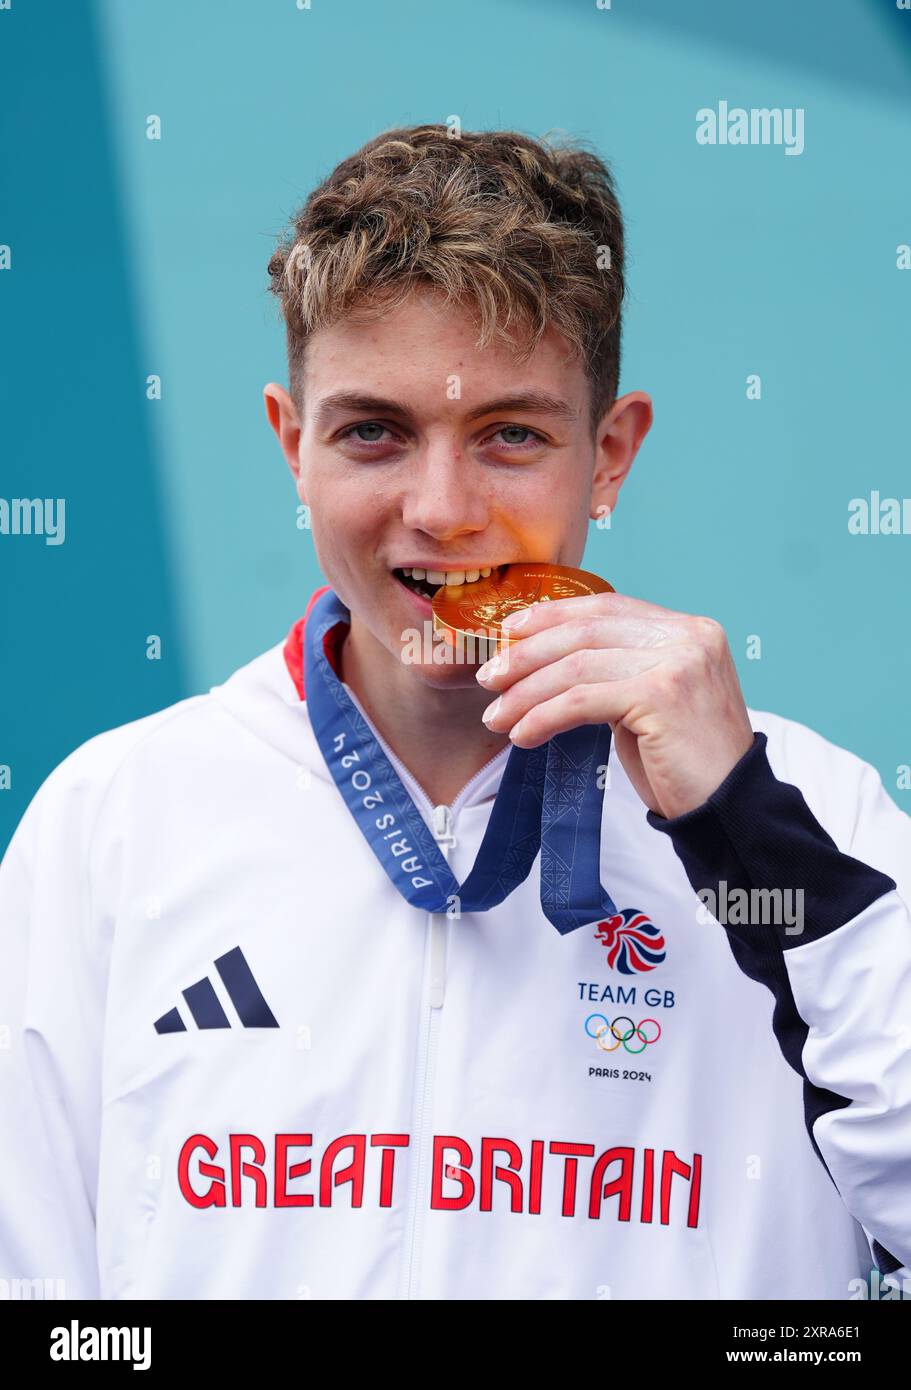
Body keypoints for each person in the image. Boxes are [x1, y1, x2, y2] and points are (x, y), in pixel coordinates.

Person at [1, 124, 909, 1301]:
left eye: (511, 435)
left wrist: (745, 823)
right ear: (293, 446)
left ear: (608, 453)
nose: (439, 509)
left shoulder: (812, 811)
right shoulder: (113, 822)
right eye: (372, 430)